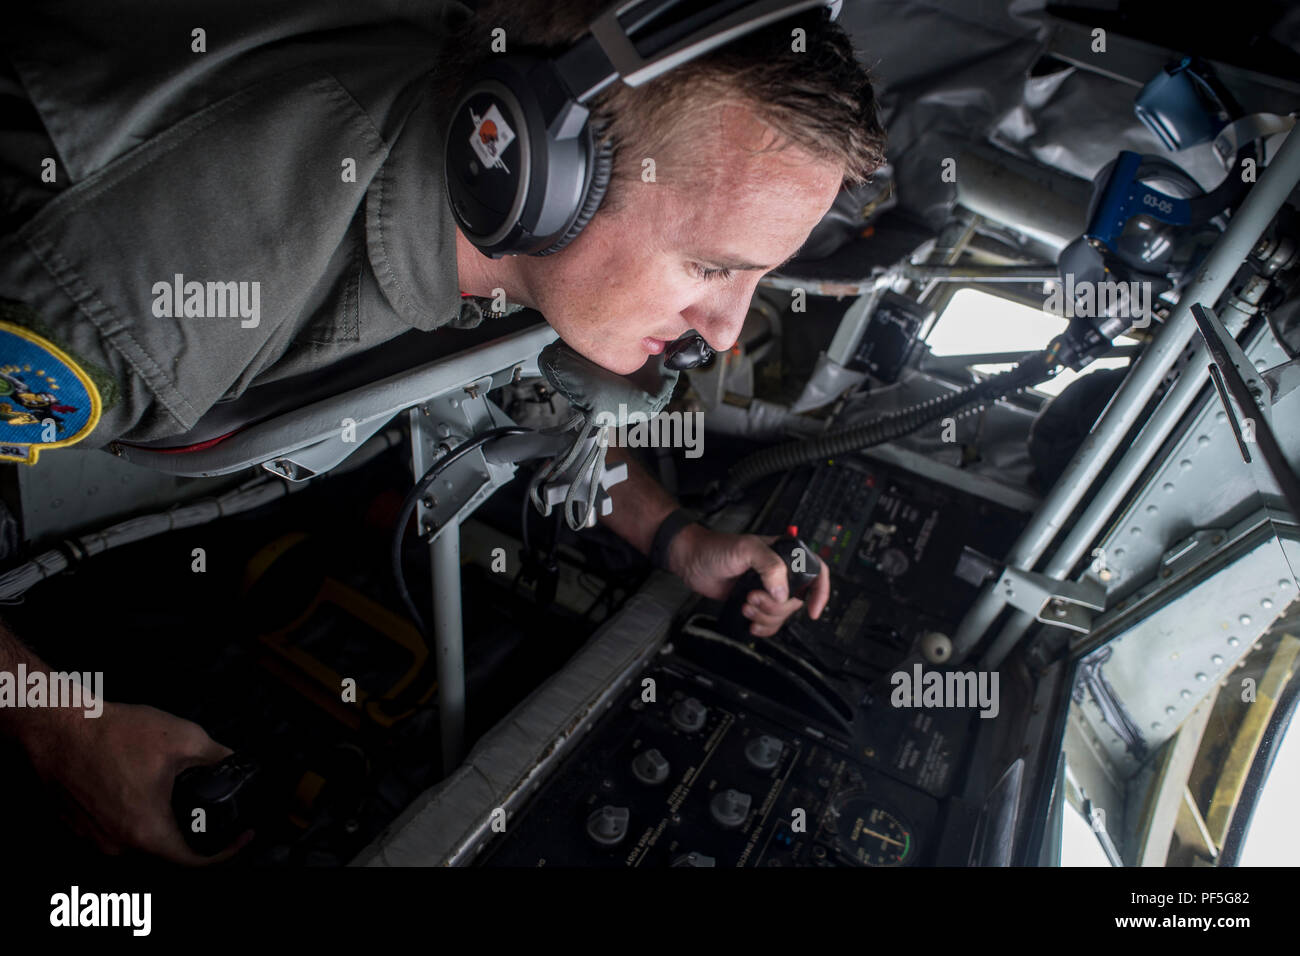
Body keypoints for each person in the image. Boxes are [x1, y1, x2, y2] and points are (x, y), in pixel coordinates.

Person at [0, 0, 886, 862]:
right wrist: (57, 730)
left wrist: (676, 535)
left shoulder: (507, 229)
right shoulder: (168, 297)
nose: (728, 328)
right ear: (543, 175)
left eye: (756, 278)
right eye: (709, 265)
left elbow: (515, 383)